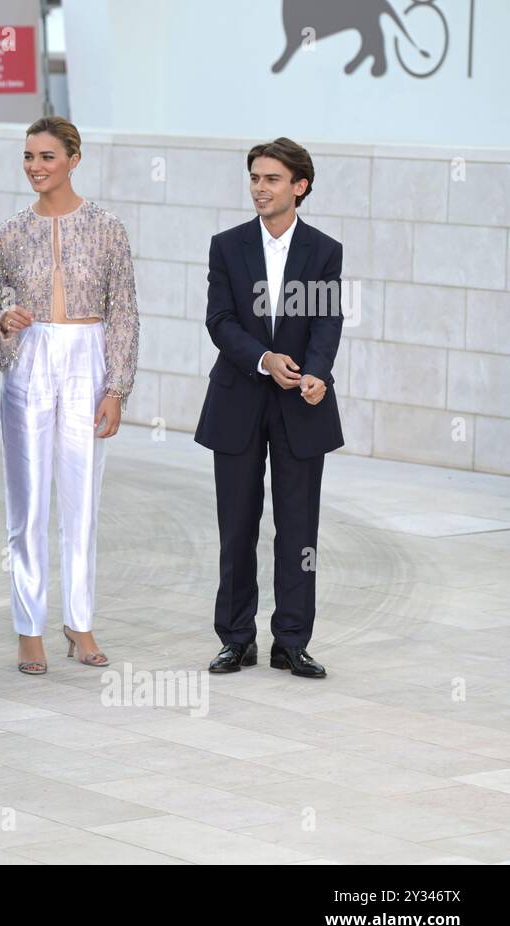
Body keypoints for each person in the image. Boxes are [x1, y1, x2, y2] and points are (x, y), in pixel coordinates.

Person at [0, 117, 139, 675]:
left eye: (46, 156)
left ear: (74, 158)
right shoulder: (8, 232)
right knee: (26, 505)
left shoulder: (107, 228)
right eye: (28, 156)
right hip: (28, 362)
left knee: (81, 503)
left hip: (87, 360)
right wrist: (4, 322)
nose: (35, 167)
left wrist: (116, 386)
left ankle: (79, 621)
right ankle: (29, 627)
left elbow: (124, 313)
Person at [194, 137, 344, 679]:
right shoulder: (227, 246)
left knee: (299, 530)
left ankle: (292, 642)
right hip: (238, 400)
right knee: (236, 527)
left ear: (298, 186)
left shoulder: (324, 249)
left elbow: (328, 320)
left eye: (271, 179)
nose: (260, 187)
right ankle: (236, 639)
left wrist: (318, 375)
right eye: (255, 177)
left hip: (303, 405)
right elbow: (220, 320)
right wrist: (262, 358)